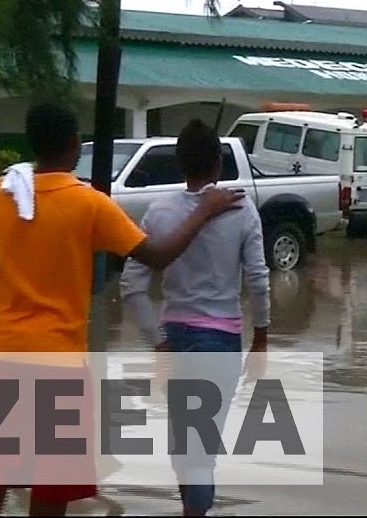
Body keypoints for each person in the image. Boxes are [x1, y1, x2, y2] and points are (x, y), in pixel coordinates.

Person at [0, 102, 245, 518]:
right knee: (51, 482)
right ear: (75, 145)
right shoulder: (88, 203)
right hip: (58, 359)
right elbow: (158, 256)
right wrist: (204, 210)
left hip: (5, 352)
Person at [120, 118, 271, 517]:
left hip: (174, 338)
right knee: (200, 454)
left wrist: (158, 340)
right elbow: (258, 278)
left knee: (183, 449)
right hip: (219, 342)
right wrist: (262, 336)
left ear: (179, 164)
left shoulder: (158, 212)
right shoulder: (241, 209)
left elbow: (131, 286)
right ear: (219, 164)